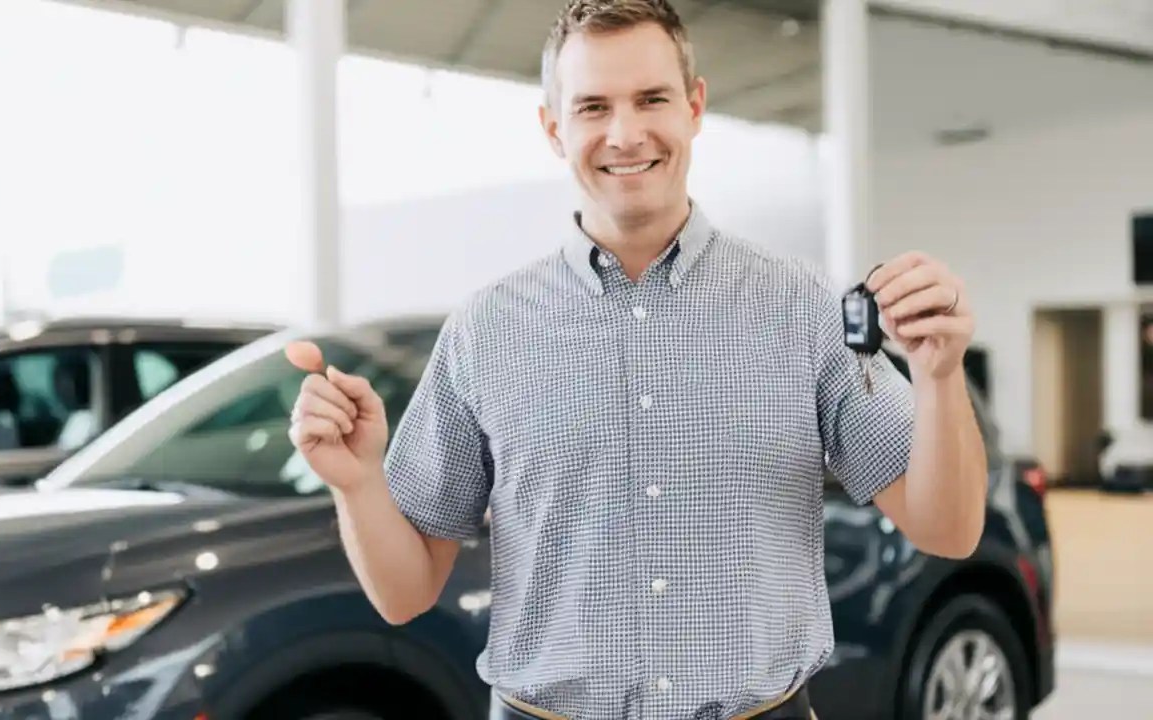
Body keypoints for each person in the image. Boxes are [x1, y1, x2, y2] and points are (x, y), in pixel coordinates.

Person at [286, 1, 988, 718]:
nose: (625, 134)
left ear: (694, 106)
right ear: (555, 129)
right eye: (593, 107)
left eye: (651, 99)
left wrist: (939, 377)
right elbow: (405, 595)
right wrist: (357, 482)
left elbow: (949, 528)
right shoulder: (486, 330)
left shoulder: (800, 305)